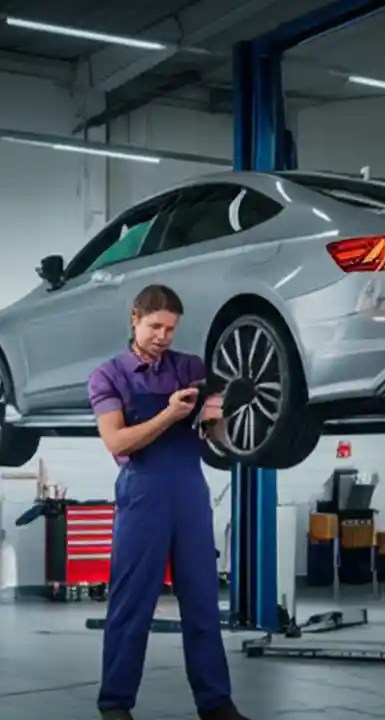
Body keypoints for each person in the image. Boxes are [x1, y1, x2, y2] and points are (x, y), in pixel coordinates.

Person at [88, 284, 249, 720]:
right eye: (155, 326)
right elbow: (116, 440)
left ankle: (216, 703)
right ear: (134, 319)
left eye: (171, 329)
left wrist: (219, 418)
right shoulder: (109, 375)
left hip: (190, 489)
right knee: (132, 601)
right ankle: (115, 704)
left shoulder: (191, 368)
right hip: (143, 490)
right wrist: (169, 414)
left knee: (202, 600)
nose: (163, 335)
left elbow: (212, 438)